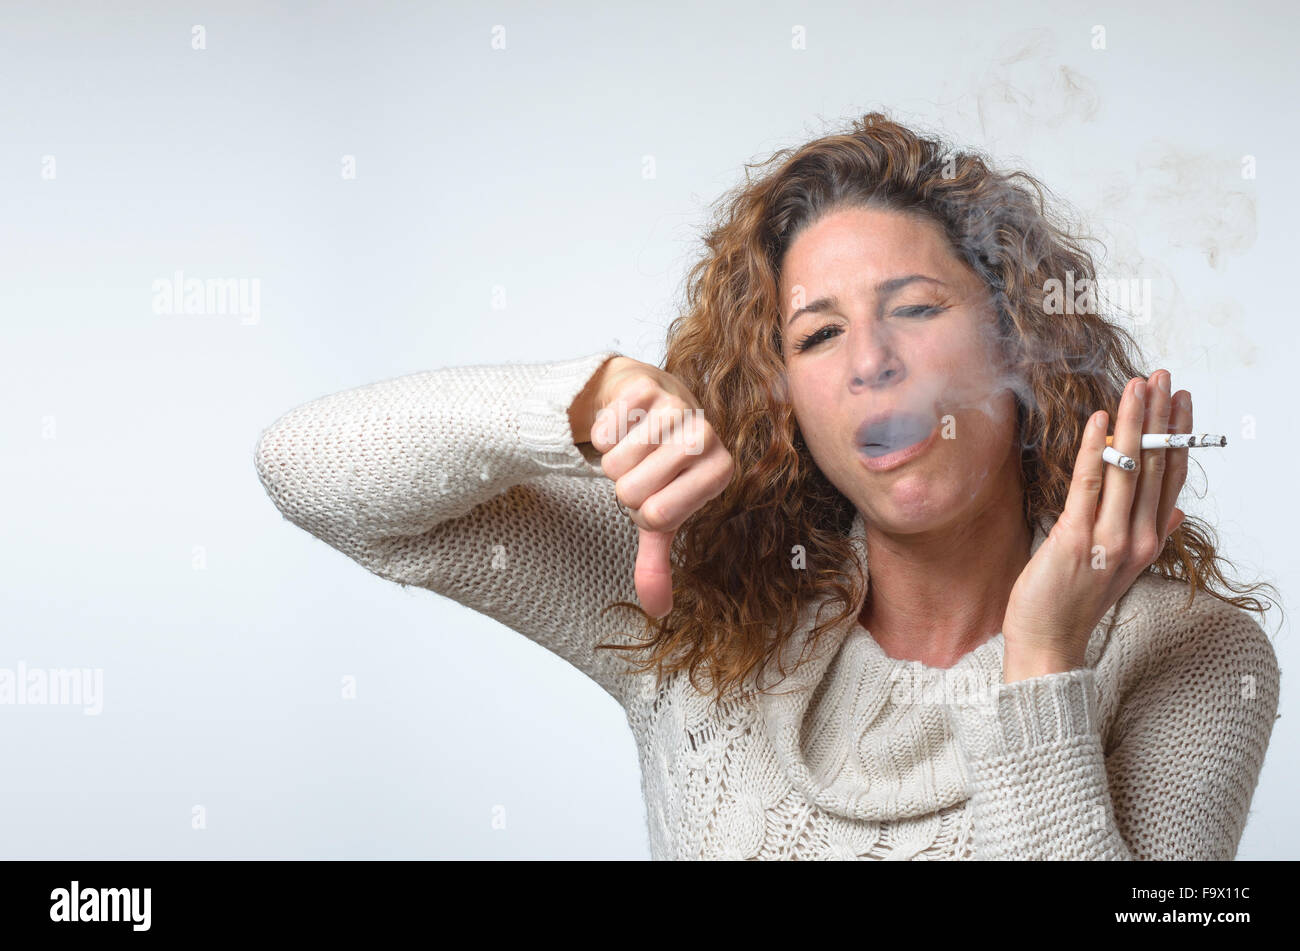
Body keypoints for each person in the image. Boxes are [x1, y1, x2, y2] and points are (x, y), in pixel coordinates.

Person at [253, 112, 1280, 860]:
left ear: (1018, 339)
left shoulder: (1189, 652)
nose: (868, 359)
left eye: (915, 309)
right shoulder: (710, 609)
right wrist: (583, 399)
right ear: (786, 398)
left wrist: (1043, 659)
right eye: (817, 333)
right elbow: (312, 472)